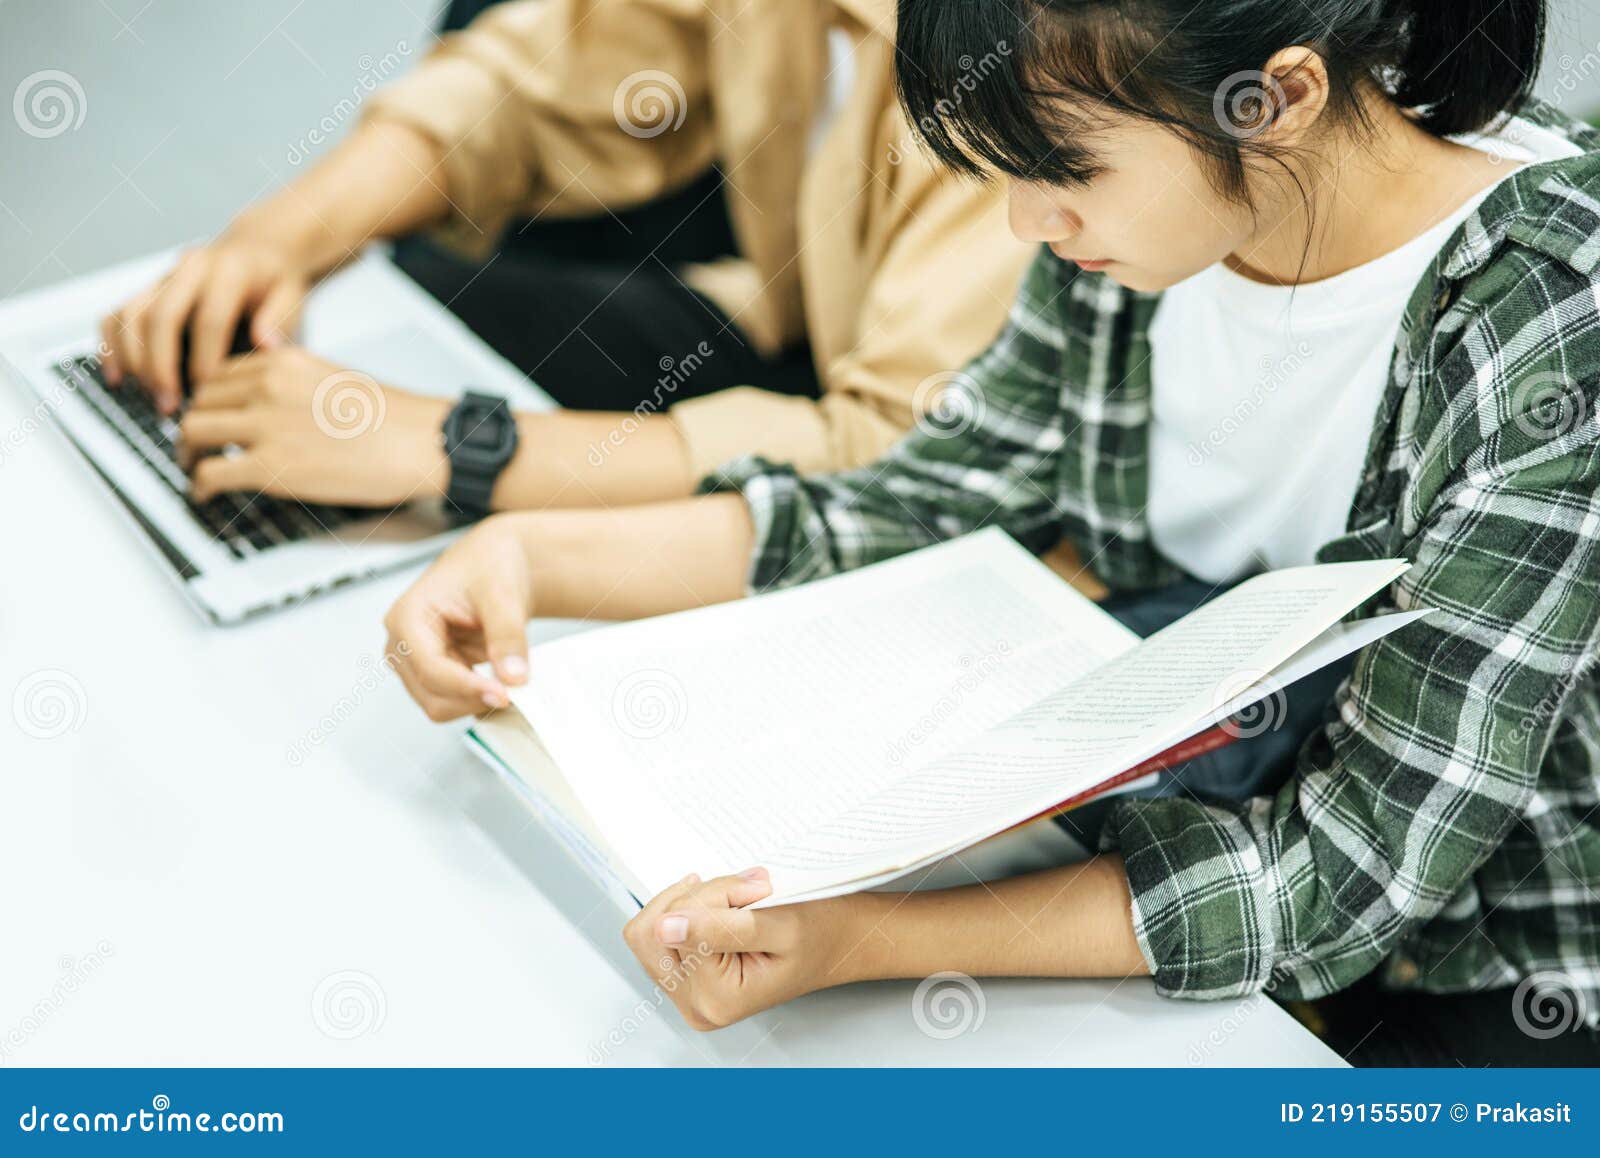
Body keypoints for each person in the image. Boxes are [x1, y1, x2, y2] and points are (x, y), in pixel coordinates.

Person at [382, 0, 1600, 1064]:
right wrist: (538, 556)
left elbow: (1356, 867)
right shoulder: (1146, 223)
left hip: (1489, 952)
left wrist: (859, 941)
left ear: (1276, 97)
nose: (1024, 223)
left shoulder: (1550, 308)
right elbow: (929, 495)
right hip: (1207, 814)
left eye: (1061, 168)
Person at [97, 0, 1031, 515]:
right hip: (798, 317)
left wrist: (449, 447)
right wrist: (280, 237)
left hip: (940, 462)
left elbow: (906, 459)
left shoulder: (1016, 57)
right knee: (413, 297)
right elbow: (536, 82)